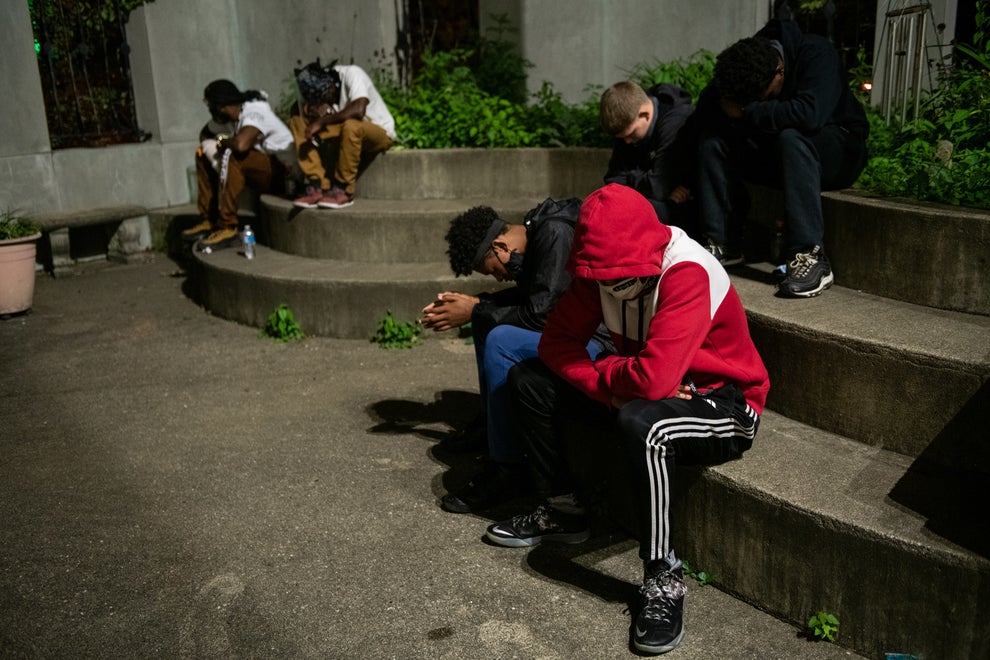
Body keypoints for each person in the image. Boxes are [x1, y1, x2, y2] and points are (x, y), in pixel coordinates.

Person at [486, 184, 770, 655]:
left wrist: (627, 384)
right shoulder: (598, 270)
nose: (609, 287)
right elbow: (556, 346)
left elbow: (656, 381)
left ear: (647, 250)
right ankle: (562, 507)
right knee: (529, 379)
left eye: (619, 278)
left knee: (646, 423)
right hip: (638, 392)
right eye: (601, 279)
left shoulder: (687, 271)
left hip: (723, 403)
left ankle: (663, 574)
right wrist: (616, 385)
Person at [419, 200, 609, 514]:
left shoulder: (556, 233)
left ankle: (509, 468)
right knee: (487, 321)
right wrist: (479, 305)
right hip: (571, 333)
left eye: (492, 269)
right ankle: (493, 424)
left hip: (598, 340)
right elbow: (536, 297)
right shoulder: (539, 233)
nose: (498, 278)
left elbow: (543, 315)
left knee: (501, 339)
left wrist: (477, 307)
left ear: (499, 245)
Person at [689, 18, 869, 296]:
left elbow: (810, 115)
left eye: (762, 98)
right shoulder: (746, 65)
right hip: (783, 158)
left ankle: (810, 255)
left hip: (837, 151)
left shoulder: (816, 53)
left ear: (779, 73)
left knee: (792, 135)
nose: (754, 105)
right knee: (713, 142)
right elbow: (708, 107)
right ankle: (723, 242)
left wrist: (748, 113)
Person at [182, 80, 295, 251]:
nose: (209, 111)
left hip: (284, 173)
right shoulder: (229, 118)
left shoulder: (254, 111)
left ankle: (228, 227)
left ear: (221, 107)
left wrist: (223, 142)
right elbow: (204, 135)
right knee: (201, 154)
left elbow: (241, 145)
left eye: (211, 106)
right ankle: (209, 219)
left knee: (235, 154)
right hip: (261, 171)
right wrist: (216, 159)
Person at [289, 59, 395, 209]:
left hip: (377, 132)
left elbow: (359, 110)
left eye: (325, 98)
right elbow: (302, 109)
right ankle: (317, 183)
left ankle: (344, 189)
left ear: (332, 86)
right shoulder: (318, 88)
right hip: (345, 131)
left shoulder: (352, 74)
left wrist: (322, 121)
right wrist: (313, 111)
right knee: (297, 117)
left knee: (351, 126)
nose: (324, 103)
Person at [600, 81, 696, 236]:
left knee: (626, 216)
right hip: (659, 202)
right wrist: (643, 177)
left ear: (645, 114)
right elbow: (613, 182)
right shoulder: (629, 126)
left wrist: (630, 177)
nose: (627, 142)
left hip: (683, 207)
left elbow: (659, 186)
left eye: (631, 134)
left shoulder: (675, 122)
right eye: (622, 138)